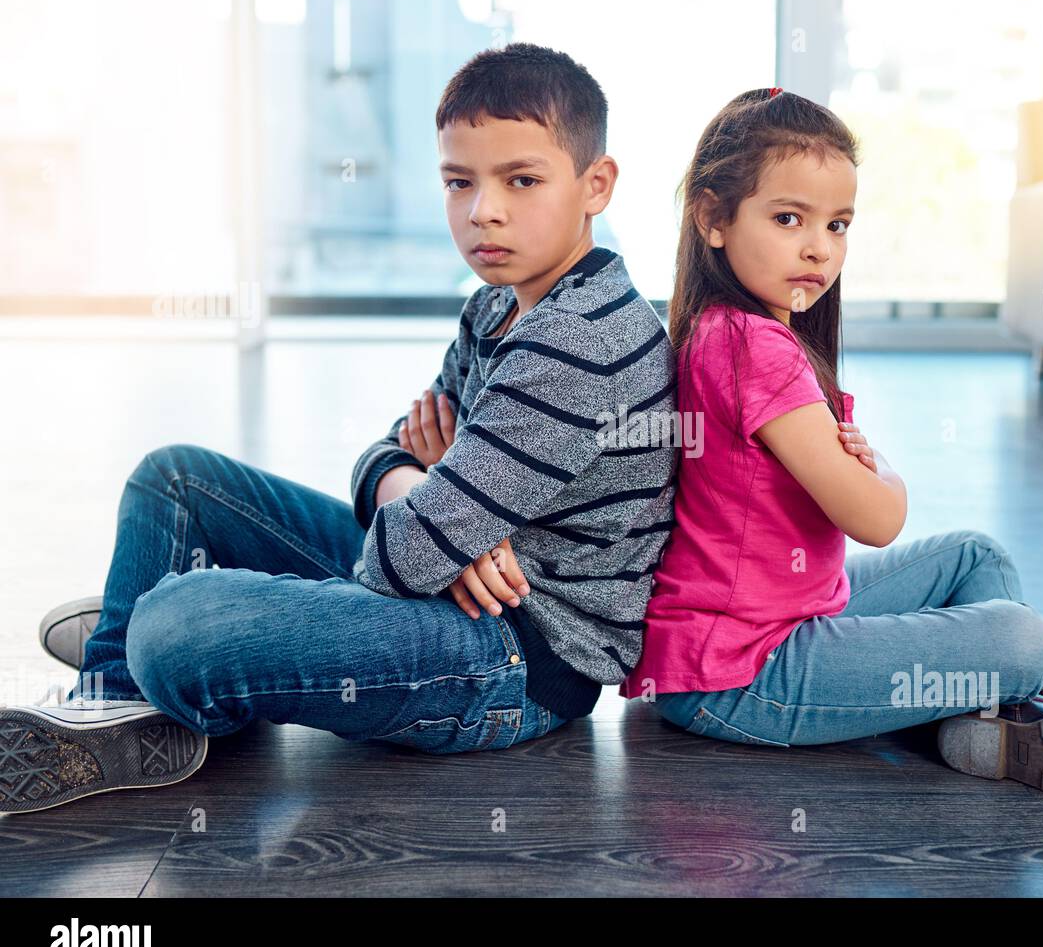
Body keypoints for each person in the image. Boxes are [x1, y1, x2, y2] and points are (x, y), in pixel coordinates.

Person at [1, 43, 677, 815]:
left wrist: (434, 517)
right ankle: (117, 702)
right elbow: (395, 451)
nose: (483, 210)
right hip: (451, 594)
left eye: (521, 180)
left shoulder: (578, 341)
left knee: (170, 622)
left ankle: (152, 649)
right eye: (460, 182)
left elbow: (404, 555)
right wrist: (420, 487)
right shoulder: (498, 302)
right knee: (175, 477)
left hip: (515, 658)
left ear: (597, 185)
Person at [619, 87, 1043, 799]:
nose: (819, 247)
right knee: (1021, 640)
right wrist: (886, 471)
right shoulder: (757, 350)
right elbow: (877, 519)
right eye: (789, 219)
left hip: (770, 624)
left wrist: (856, 465)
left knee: (975, 555)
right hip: (746, 675)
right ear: (713, 218)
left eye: (838, 224)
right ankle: (997, 719)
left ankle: (994, 725)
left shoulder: (721, 330)